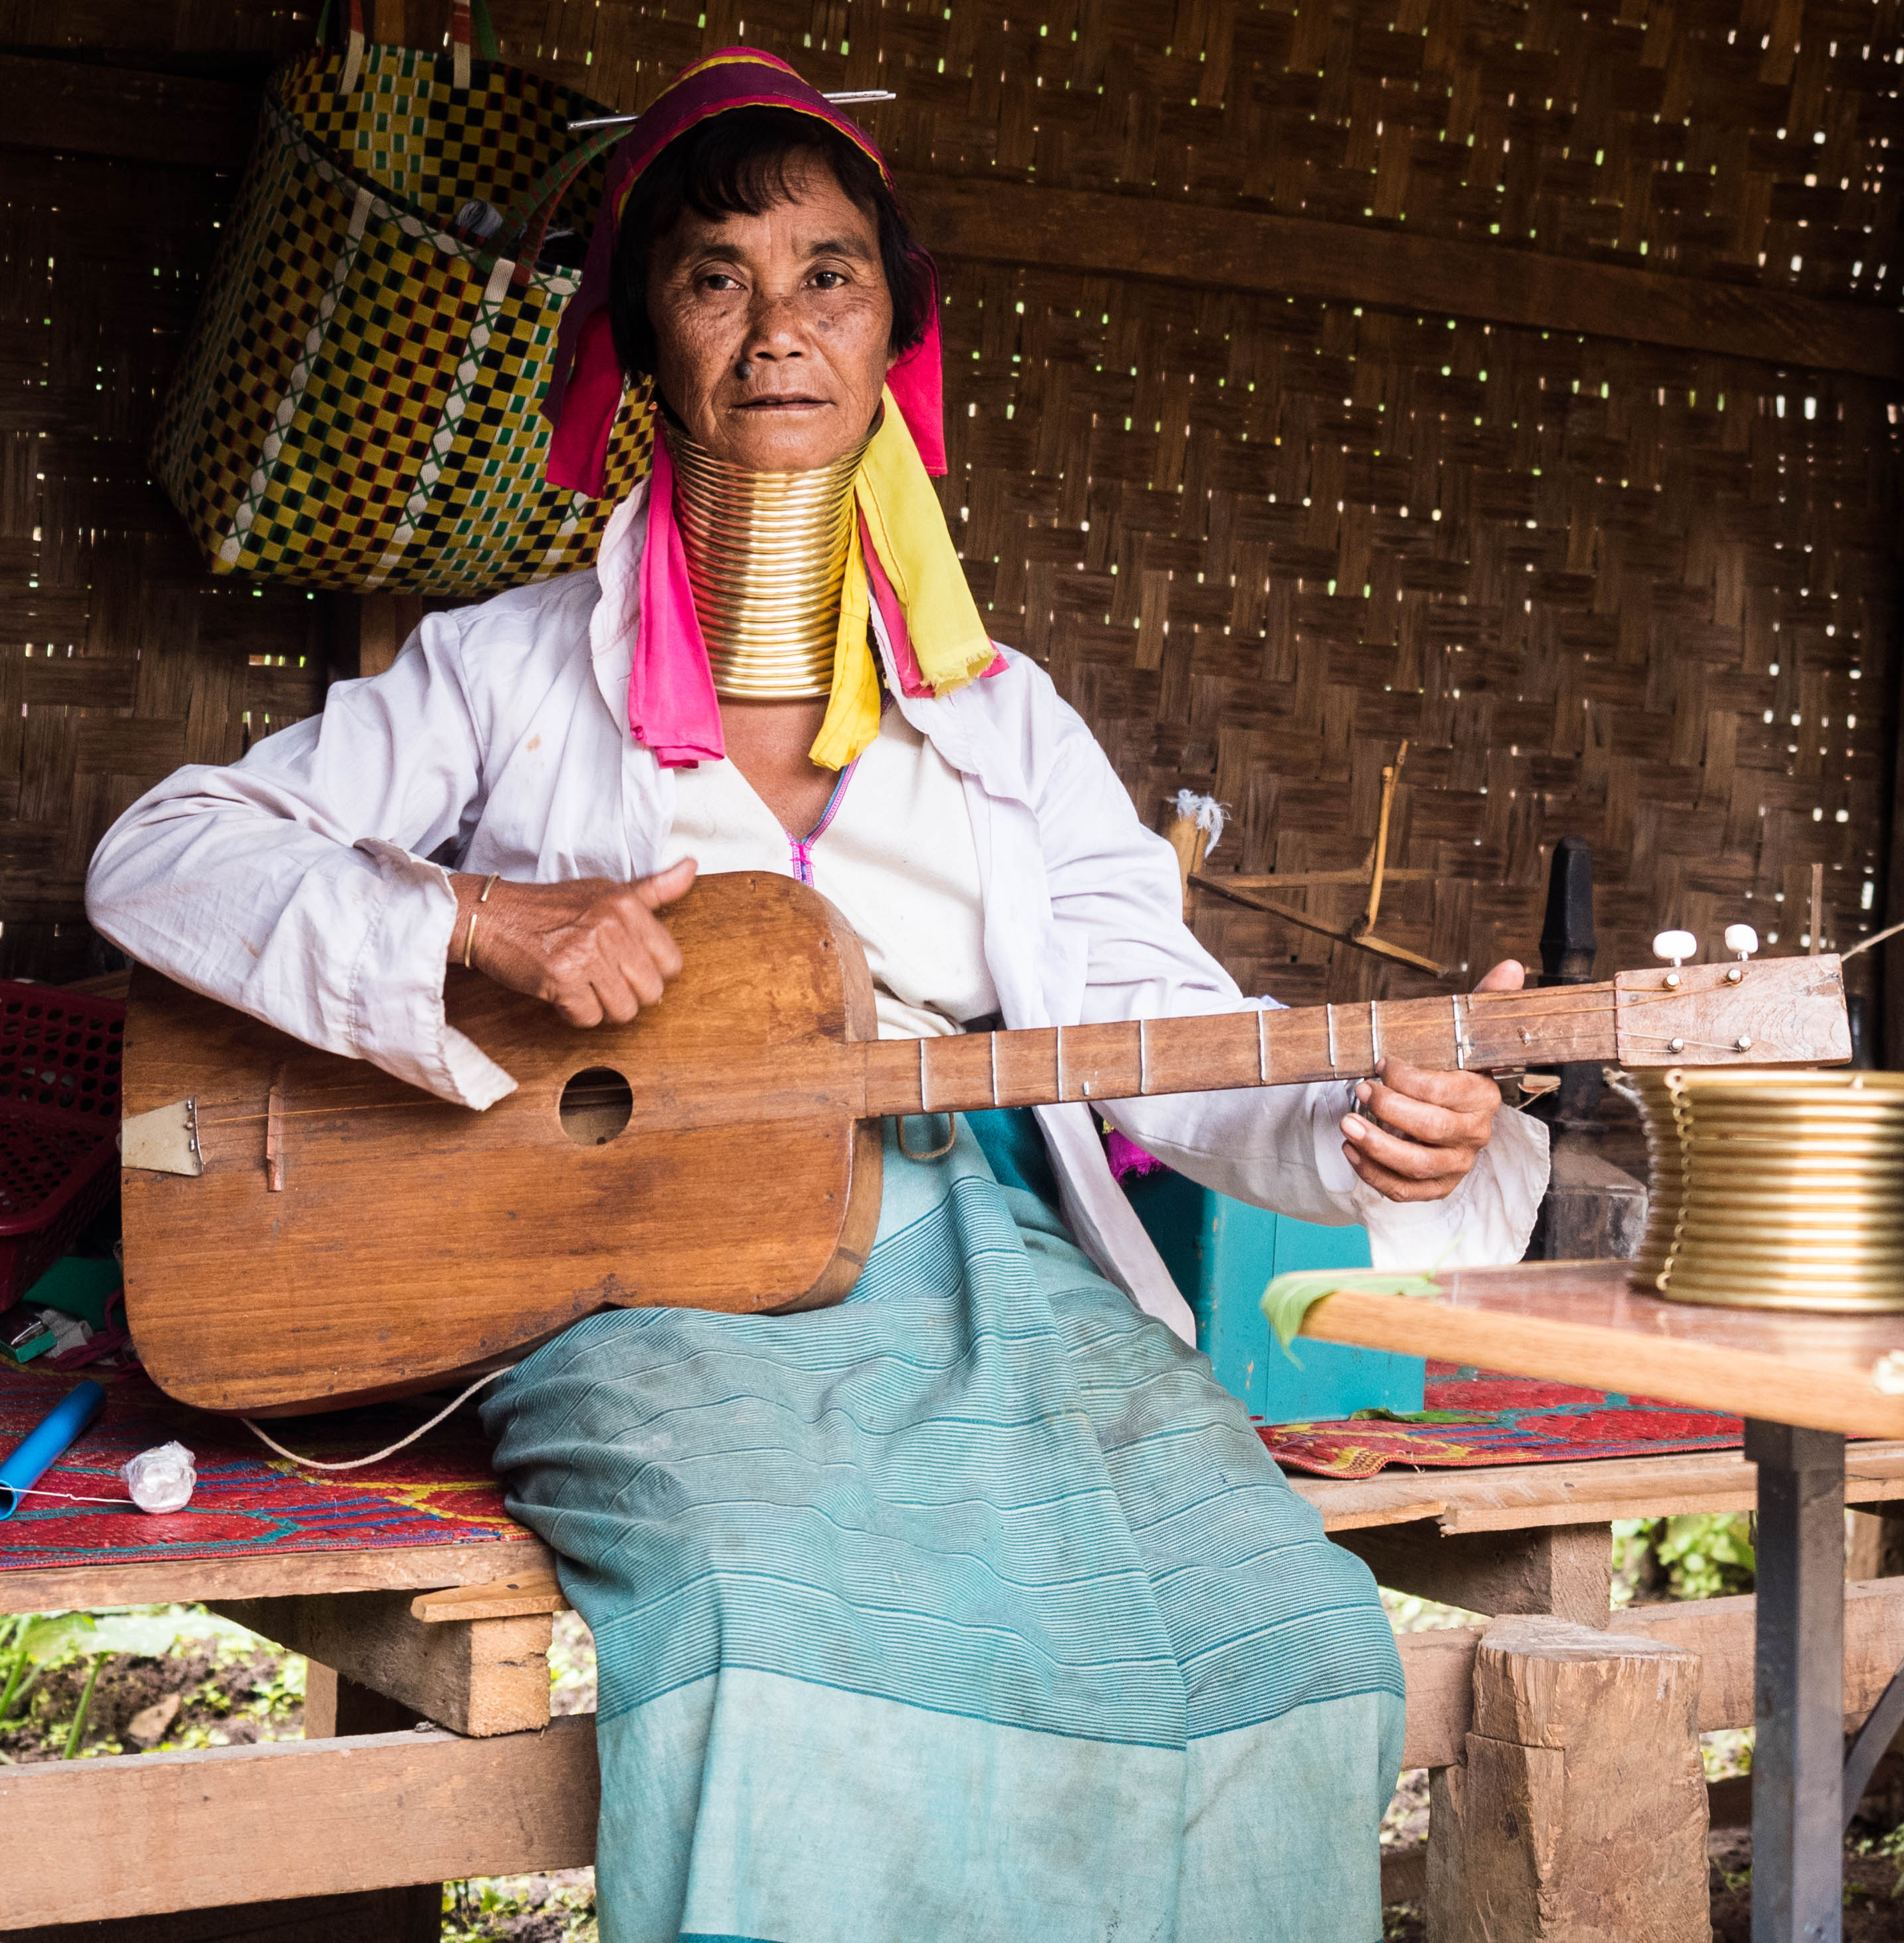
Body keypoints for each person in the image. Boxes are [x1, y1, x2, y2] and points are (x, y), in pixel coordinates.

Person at [88, 49, 1547, 1943]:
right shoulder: (509, 671)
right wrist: (480, 919)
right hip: (641, 1273)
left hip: (989, 1275)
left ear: (893, 342)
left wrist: (1370, 1123)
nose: (778, 326)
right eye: (716, 275)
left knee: (1284, 1646)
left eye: (830, 273)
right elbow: (163, 851)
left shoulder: (999, 721)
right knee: (771, 1651)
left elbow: (1160, 1032)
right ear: (643, 348)